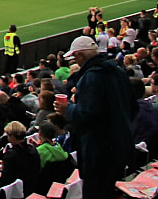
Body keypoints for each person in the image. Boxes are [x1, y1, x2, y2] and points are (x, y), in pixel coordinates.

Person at [57, 36, 135, 199]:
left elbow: (87, 114)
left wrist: (68, 109)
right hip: (118, 144)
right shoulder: (117, 71)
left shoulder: (92, 76)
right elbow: (132, 105)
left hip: (98, 150)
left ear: (79, 55)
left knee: (95, 192)